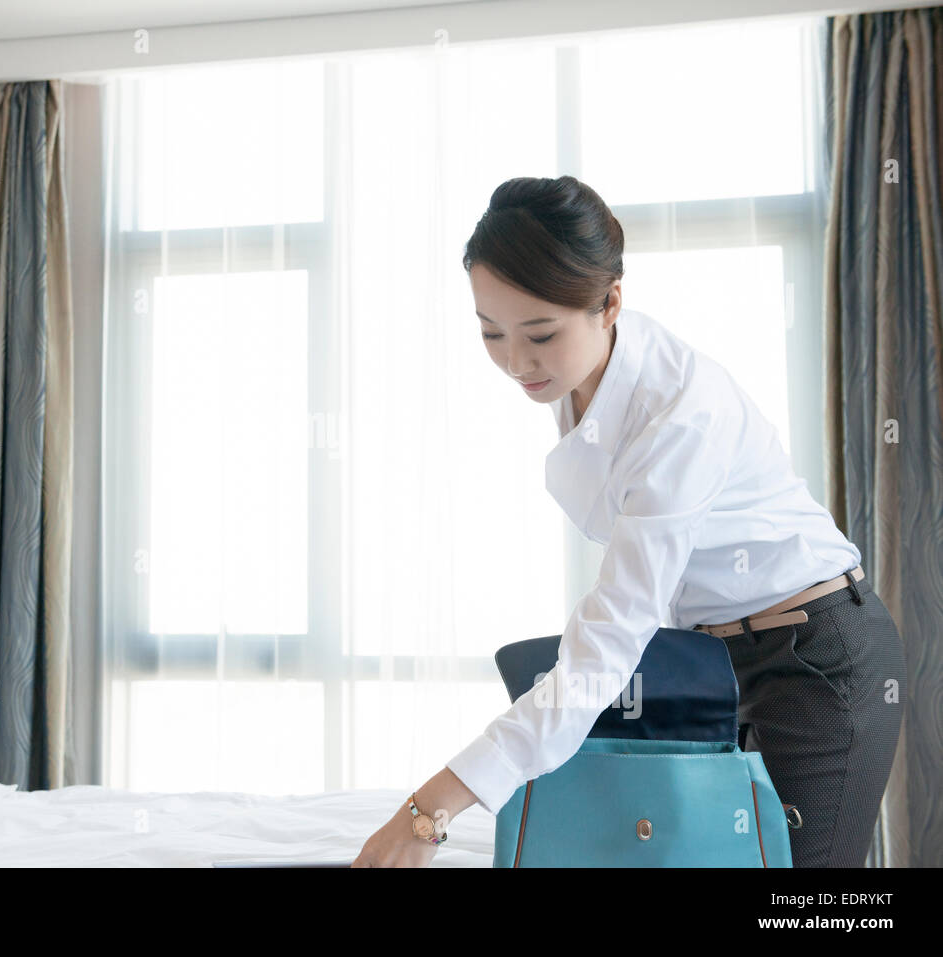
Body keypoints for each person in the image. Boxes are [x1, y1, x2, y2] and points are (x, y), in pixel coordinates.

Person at [351, 175, 906, 868]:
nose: (516, 361)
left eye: (540, 333)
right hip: (721, 659)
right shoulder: (579, 381)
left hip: (820, 658)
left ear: (610, 300)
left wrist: (428, 810)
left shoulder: (681, 412)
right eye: (491, 332)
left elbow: (606, 644)